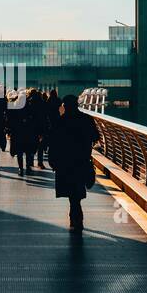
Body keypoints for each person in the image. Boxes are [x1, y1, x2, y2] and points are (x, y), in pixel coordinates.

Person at [49, 93, 100, 232]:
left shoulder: (60, 121)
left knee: (70, 189)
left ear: (65, 106)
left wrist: (52, 160)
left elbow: (53, 143)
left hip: (65, 161)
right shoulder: (86, 119)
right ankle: (76, 215)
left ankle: (74, 215)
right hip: (81, 159)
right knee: (77, 187)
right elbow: (96, 136)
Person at [11, 89, 46, 175]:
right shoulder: (30, 106)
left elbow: (12, 120)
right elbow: (35, 119)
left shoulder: (15, 106)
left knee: (19, 152)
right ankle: (28, 166)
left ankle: (20, 168)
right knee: (28, 151)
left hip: (18, 132)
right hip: (29, 132)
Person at [34, 89, 54, 169]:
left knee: (34, 145)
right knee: (40, 146)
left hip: (33, 127)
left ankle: (30, 162)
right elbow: (46, 117)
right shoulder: (44, 104)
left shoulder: (31, 103)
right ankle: (39, 162)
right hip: (42, 127)